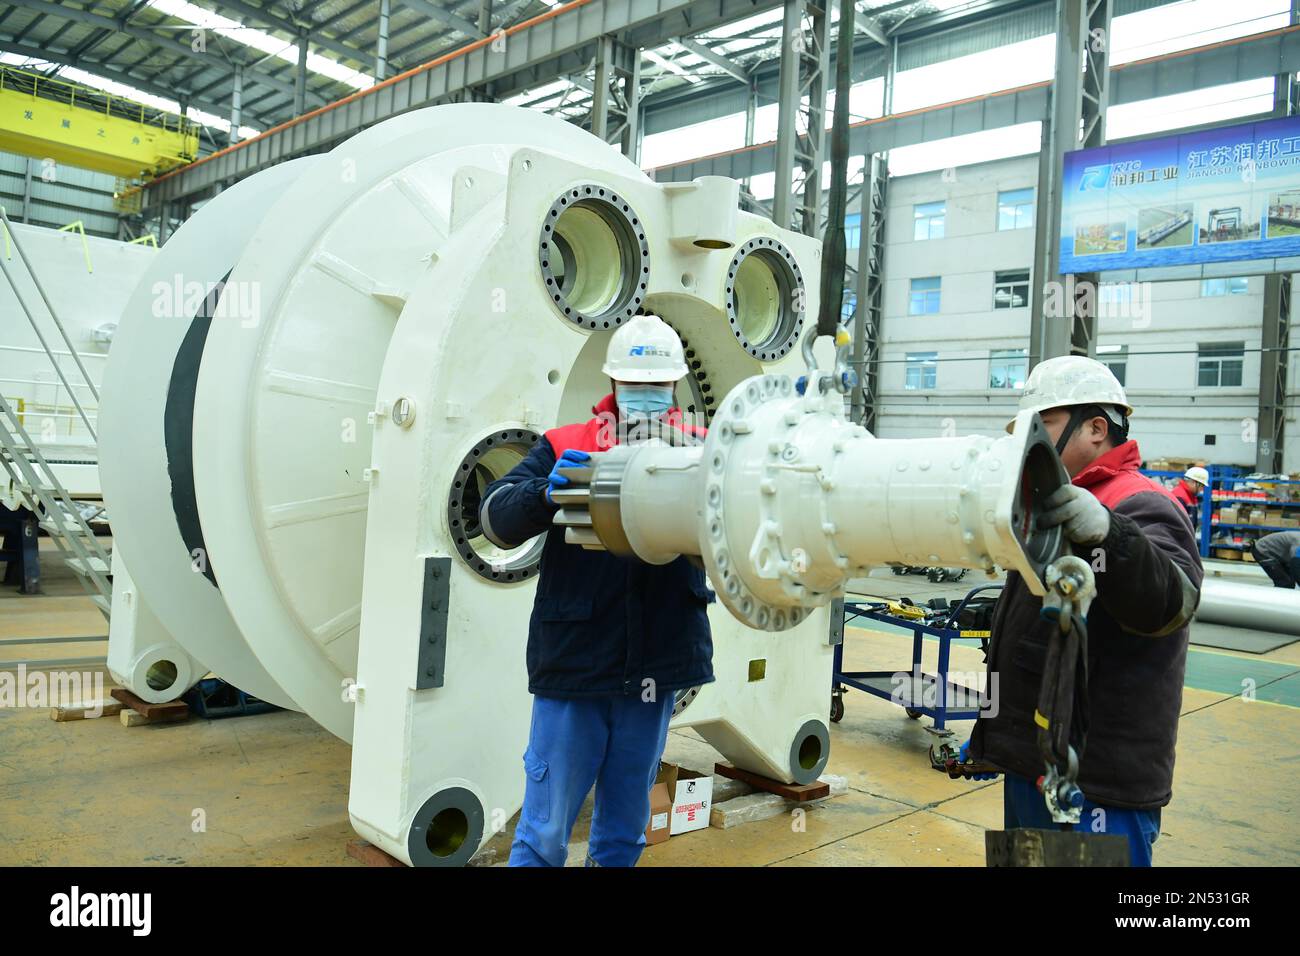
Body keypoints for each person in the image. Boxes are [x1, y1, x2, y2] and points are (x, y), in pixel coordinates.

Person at [479, 314, 714, 868]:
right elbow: (495, 521)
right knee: (543, 835)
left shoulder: (703, 453)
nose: (647, 398)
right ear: (612, 386)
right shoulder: (567, 446)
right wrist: (544, 492)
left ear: (675, 387)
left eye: (657, 387)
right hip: (576, 666)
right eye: (636, 387)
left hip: (654, 670)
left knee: (624, 835)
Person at [967, 355, 1204, 867]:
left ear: (1096, 427)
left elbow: (1172, 602)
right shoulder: (1053, 502)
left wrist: (1111, 533)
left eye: (1042, 425)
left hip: (1097, 780)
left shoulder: (1140, 502)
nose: (1027, 442)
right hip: (1035, 762)